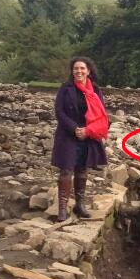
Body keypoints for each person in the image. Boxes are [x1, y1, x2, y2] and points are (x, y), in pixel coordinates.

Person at [51, 57, 108, 221]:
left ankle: (80, 204)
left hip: (87, 134)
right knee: (66, 169)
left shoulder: (95, 90)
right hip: (68, 134)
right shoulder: (65, 88)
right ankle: (62, 208)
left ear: (88, 71)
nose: (79, 71)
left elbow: (102, 114)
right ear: (72, 71)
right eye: (76, 68)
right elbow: (59, 112)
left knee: (82, 169)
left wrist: (88, 130)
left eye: (82, 68)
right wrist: (74, 129)